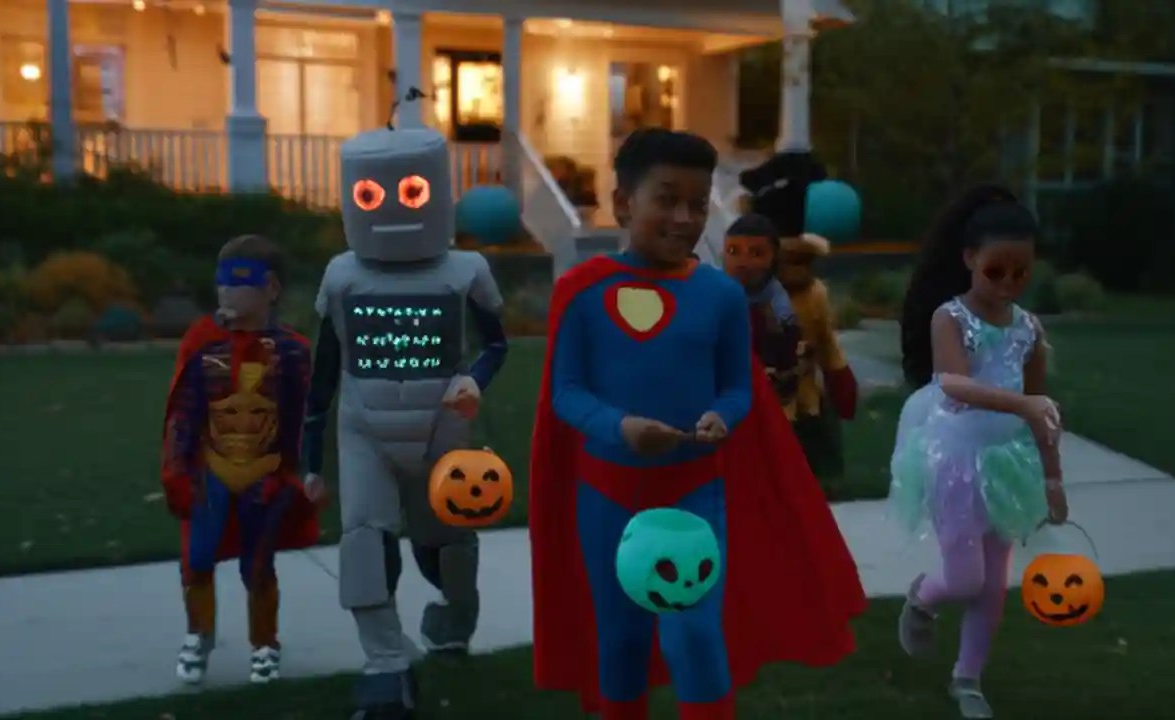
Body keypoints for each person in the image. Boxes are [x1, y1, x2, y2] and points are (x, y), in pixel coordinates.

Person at [530, 128, 866, 720]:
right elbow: (566, 393)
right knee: (621, 637)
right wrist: (618, 426)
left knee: (696, 636)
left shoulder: (719, 295)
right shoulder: (580, 291)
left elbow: (739, 388)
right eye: (667, 199)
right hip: (606, 493)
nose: (685, 218)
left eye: (698, 201)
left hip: (692, 494)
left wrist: (723, 416)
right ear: (624, 202)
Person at [303, 123, 508, 719]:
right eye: (370, 195)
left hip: (443, 427)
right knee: (364, 541)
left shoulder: (465, 271)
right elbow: (324, 372)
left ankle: (454, 616)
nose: (391, 206)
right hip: (365, 427)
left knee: (448, 545)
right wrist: (312, 459)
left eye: (412, 192)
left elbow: (496, 345)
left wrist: (476, 377)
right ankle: (385, 662)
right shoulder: (342, 277)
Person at [890, 185, 1067, 720]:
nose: (1008, 285)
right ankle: (924, 596)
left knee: (993, 584)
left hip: (1006, 462)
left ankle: (968, 679)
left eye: (1021, 274)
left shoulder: (1028, 328)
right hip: (955, 459)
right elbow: (954, 385)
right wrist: (1026, 404)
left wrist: (1052, 478)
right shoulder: (950, 317)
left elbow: (1044, 409)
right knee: (965, 577)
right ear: (969, 259)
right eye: (996, 272)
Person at [160, 234, 320, 686]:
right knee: (198, 556)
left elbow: (306, 416)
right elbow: (183, 409)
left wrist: (304, 471)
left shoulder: (291, 350)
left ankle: (265, 643)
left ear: (270, 289)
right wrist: (176, 466)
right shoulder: (201, 341)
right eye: (222, 283)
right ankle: (199, 634)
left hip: (266, 474)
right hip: (209, 471)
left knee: (258, 562)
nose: (227, 293)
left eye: (240, 283)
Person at [776, 233, 857, 488]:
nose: (797, 271)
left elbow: (826, 342)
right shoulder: (758, 295)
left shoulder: (816, 293)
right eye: (790, 262)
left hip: (805, 393)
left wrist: (839, 375)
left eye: (804, 263)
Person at [722, 213, 801, 405]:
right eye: (733, 251)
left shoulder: (778, 304)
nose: (743, 263)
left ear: (773, 258)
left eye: (756, 254)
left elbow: (786, 361)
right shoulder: (716, 292)